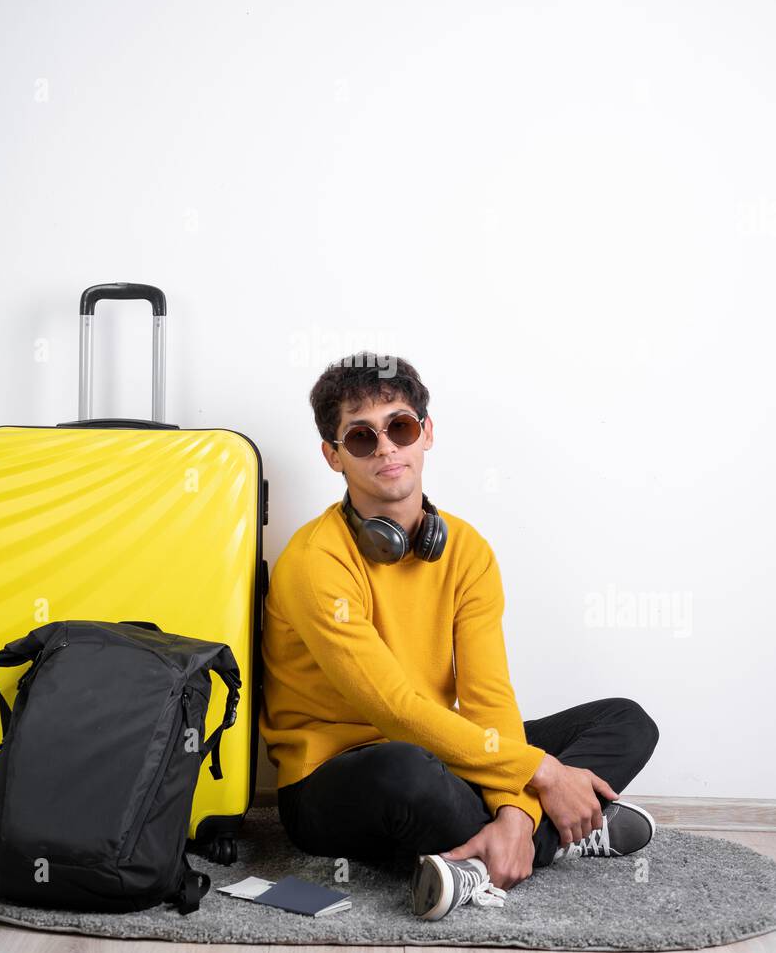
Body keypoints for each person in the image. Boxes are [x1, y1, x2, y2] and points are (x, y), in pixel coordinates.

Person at [258, 354, 660, 921]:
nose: (387, 449)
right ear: (333, 455)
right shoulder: (314, 562)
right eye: (361, 437)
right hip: (340, 778)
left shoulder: (468, 550)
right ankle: (559, 833)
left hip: (444, 748)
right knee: (406, 769)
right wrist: (542, 774)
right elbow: (395, 710)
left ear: (426, 432)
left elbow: (487, 699)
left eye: (400, 427)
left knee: (625, 720)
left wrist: (514, 807)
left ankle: (488, 853)